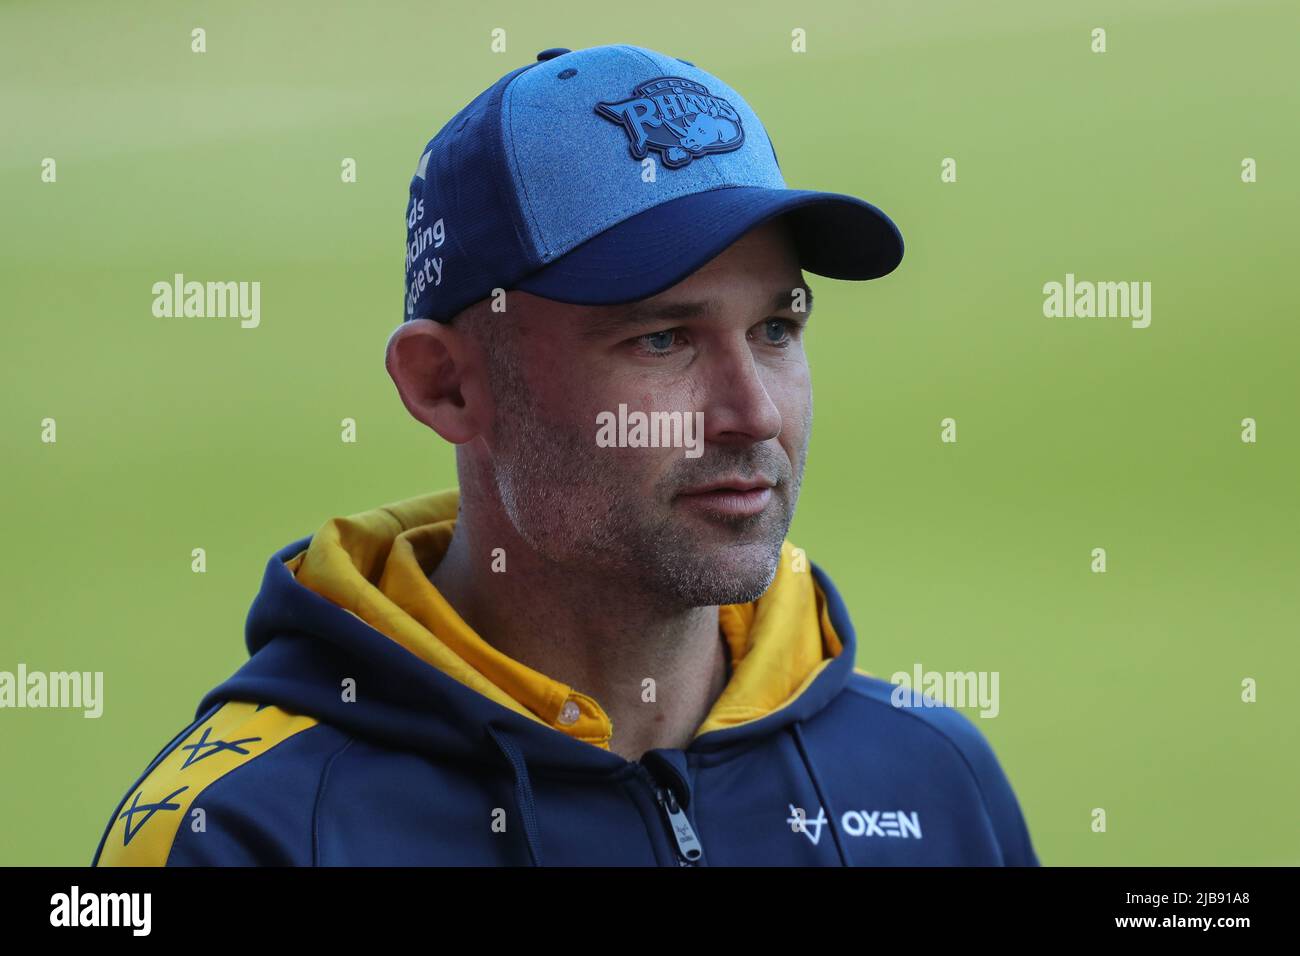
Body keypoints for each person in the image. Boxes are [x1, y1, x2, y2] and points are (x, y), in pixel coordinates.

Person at [93, 43, 1038, 866]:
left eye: (778, 329)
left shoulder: (932, 777)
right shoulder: (244, 830)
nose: (753, 413)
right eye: (662, 340)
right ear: (448, 387)